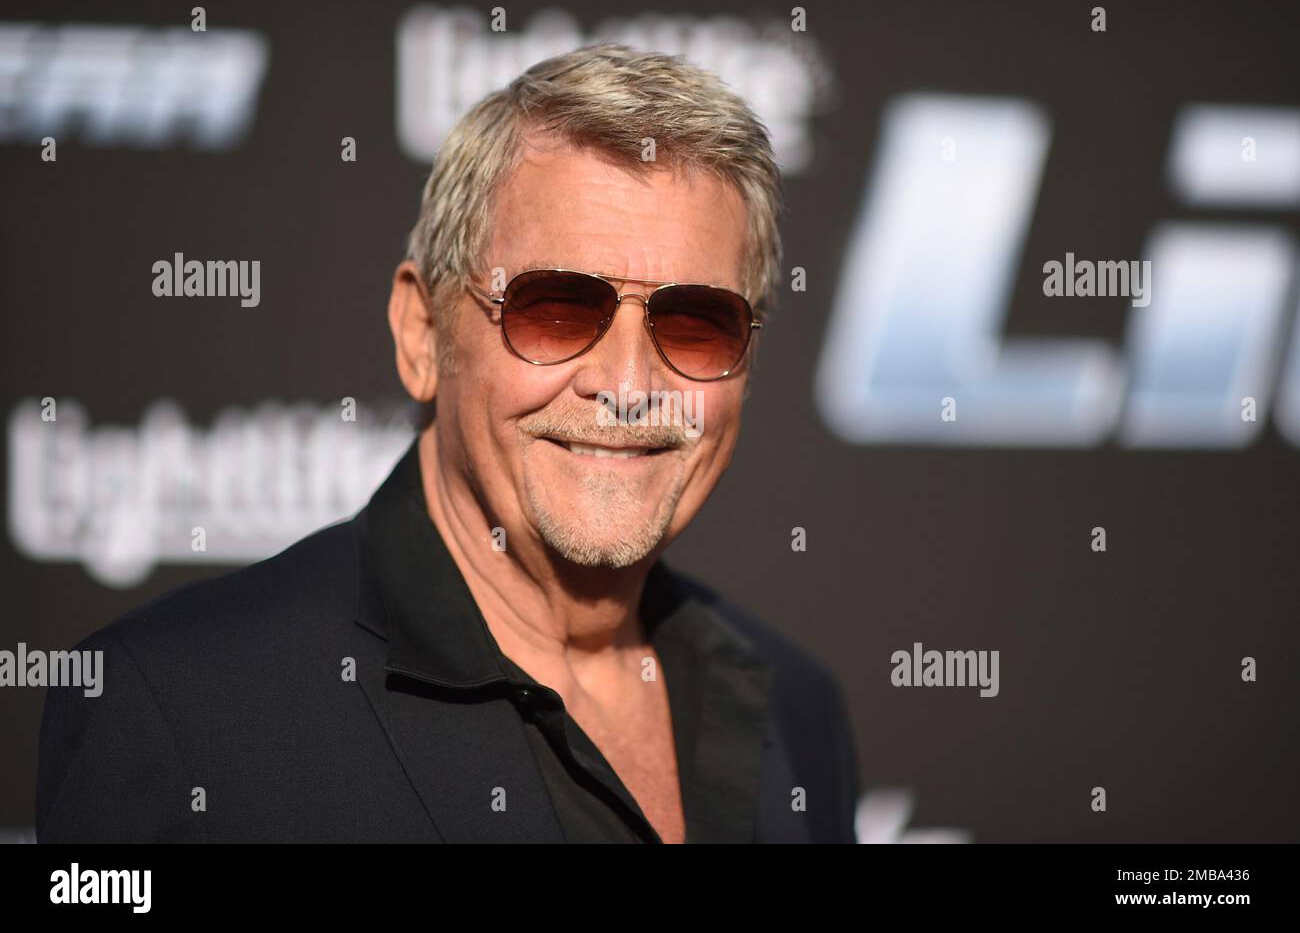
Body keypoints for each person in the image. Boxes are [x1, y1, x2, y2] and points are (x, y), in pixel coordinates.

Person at [36, 43, 860, 843]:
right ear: (423, 334)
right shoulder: (179, 711)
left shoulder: (795, 708)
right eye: (557, 308)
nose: (629, 382)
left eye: (696, 323)